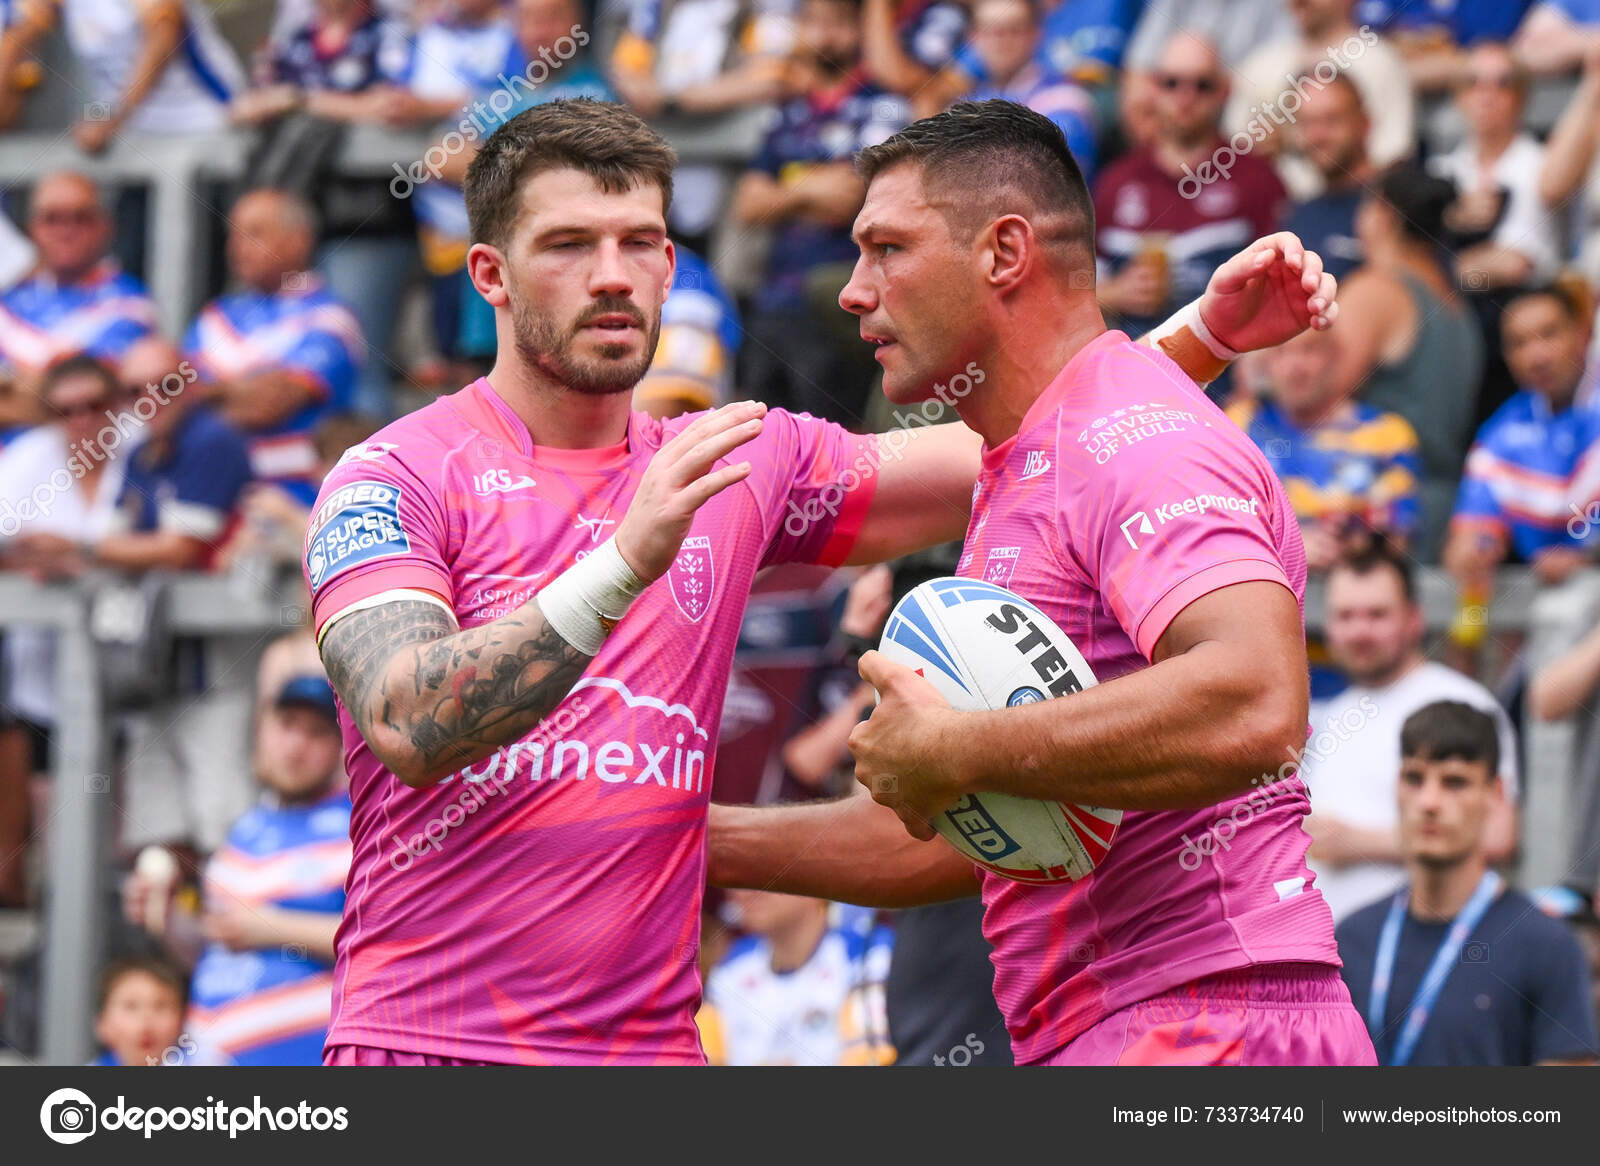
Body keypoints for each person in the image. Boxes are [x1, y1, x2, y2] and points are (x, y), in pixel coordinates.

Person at [305, 96, 1335, 1066]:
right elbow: (409, 717)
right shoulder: (391, 475)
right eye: (569, 246)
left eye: (638, 245)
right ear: (489, 272)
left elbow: (1033, 438)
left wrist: (1191, 339)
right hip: (433, 1042)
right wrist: (621, 566)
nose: (612, 276)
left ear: (672, 264)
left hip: (654, 1054)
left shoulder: (738, 459)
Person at [711, 100, 1373, 1067]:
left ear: (1004, 251)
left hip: (1206, 1024)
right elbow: (963, 833)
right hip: (1125, 1029)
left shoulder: (1135, 438)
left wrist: (960, 746)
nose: (854, 292)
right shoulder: (1023, 465)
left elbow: (1258, 700)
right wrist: (678, 836)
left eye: (887, 247)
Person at [1337, 701, 1598, 1065]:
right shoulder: (1350, 939)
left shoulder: (1546, 945)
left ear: (1495, 794)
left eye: (1454, 781)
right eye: (1414, 777)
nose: (1429, 801)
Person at [123, 676, 350, 1065]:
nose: (296, 746)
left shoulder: (361, 826)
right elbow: (210, 948)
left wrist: (271, 928)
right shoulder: (242, 832)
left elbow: (388, 946)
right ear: (262, 729)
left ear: (341, 746)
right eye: (287, 725)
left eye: (316, 733)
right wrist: (166, 913)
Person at [1300, 545, 1519, 922]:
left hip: (1432, 948)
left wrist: (1357, 843)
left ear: (1414, 619)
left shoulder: (1463, 702)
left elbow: (1497, 838)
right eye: (1345, 616)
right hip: (1331, 958)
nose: (1359, 631)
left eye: (1377, 614)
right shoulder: (1328, 716)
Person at [731, 0, 909, 428]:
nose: (825, 37)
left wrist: (784, 190)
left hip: (839, 298)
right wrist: (811, 186)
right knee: (760, 431)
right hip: (772, 297)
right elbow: (747, 205)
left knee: (829, 438)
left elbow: (847, 197)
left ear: (859, 30)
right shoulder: (791, 110)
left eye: (837, 25)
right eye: (813, 24)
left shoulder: (882, 104)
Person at [1329, 164, 1484, 559]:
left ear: (1385, 214)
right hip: (1443, 507)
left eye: (1366, 207)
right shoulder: (1459, 306)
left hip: (1381, 512)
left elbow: (1316, 394)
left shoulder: (1374, 291)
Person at [1094, 33, 1288, 342]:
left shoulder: (1258, 180)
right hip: (1131, 368)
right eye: (1172, 83)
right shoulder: (1115, 182)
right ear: (1153, 89)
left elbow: (1281, 292)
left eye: (1202, 85)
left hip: (1223, 368)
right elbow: (1072, 291)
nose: (1186, 96)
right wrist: (1115, 293)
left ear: (1224, 90)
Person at [184, 188, 363, 509]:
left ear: (300, 240)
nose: (238, 247)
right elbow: (179, 399)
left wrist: (213, 392)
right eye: (233, 234)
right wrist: (245, 388)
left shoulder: (331, 318)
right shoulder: (215, 316)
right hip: (213, 493)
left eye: (254, 233)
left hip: (298, 500)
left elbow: (268, 406)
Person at [1445, 285, 1600, 590]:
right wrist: (1474, 550)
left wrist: (1588, 558)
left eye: (1549, 334)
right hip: (1551, 610)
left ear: (1583, 334)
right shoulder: (1501, 432)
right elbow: (1470, 532)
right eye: (1519, 343)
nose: (1536, 356)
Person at [1228, 326, 1421, 567]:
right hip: (1265, 587)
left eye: (1309, 350)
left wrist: (1353, 549)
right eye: (1281, 352)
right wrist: (1290, 548)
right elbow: (1220, 525)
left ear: (1334, 355)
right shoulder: (1237, 426)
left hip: (1351, 591)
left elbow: (1400, 540)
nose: (1295, 366)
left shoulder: (1388, 434)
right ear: (1265, 362)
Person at [0, 172, 157, 433]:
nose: (65, 231)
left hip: (78, 463)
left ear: (106, 226)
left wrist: (14, 388)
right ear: (32, 228)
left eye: (80, 218)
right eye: (52, 219)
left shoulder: (129, 302)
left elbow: (75, 399)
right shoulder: (10, 299)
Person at [1226, 0, 1415, 203]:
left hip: (1359, 206)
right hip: (1276, 210)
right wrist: (1261, 151)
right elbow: (1233, 150)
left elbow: (1394, 154)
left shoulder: (1379, 61)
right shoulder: (1260, 65)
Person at [0, 0, 246, 152]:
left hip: (206, 127)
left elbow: (163, 37)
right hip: (135, 141)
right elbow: (15, 40)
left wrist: (113, 115)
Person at [705, 893, 894, 1065]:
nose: (745, 892)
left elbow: (873, 1062)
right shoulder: (730, 966)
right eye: (738, 875)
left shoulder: (867, 954)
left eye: (769, 869)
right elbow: (703, 1059)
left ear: (816, 878)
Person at [1281, 75, 1379, 283]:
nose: (1318, 135)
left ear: (1365, 123)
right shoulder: (1298, 215)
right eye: (1307, 123)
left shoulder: (1394, 208)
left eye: (1332, 120)